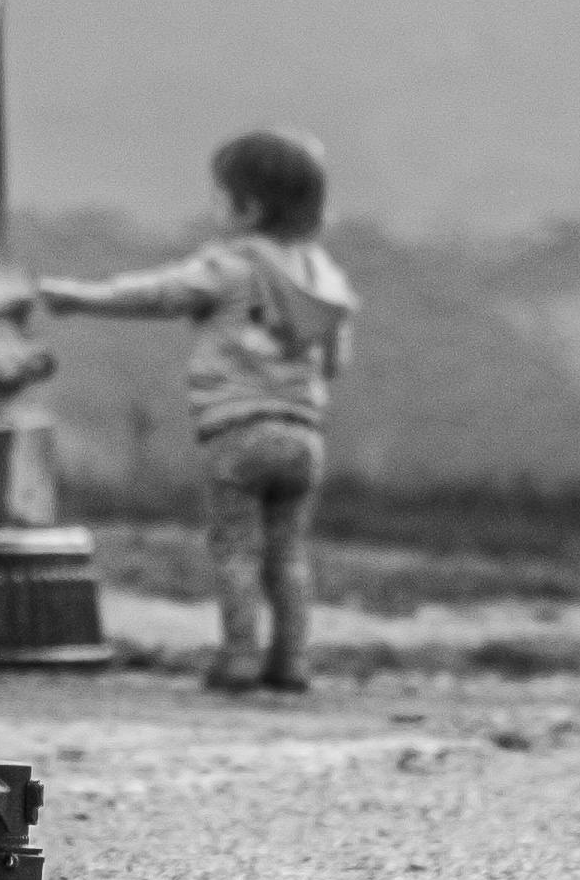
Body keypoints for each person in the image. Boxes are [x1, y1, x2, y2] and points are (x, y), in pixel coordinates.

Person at [36, 129, 358, 693]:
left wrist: (79, 296)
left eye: (220, 197)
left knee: (236, 549)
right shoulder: (323, 278)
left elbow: (160, 294)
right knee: (288, 554)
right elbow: (335, 360)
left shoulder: (231, 267)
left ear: (247, 208)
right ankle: (291, 660)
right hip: (304, 437)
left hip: (237, 432)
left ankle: (239, 657)